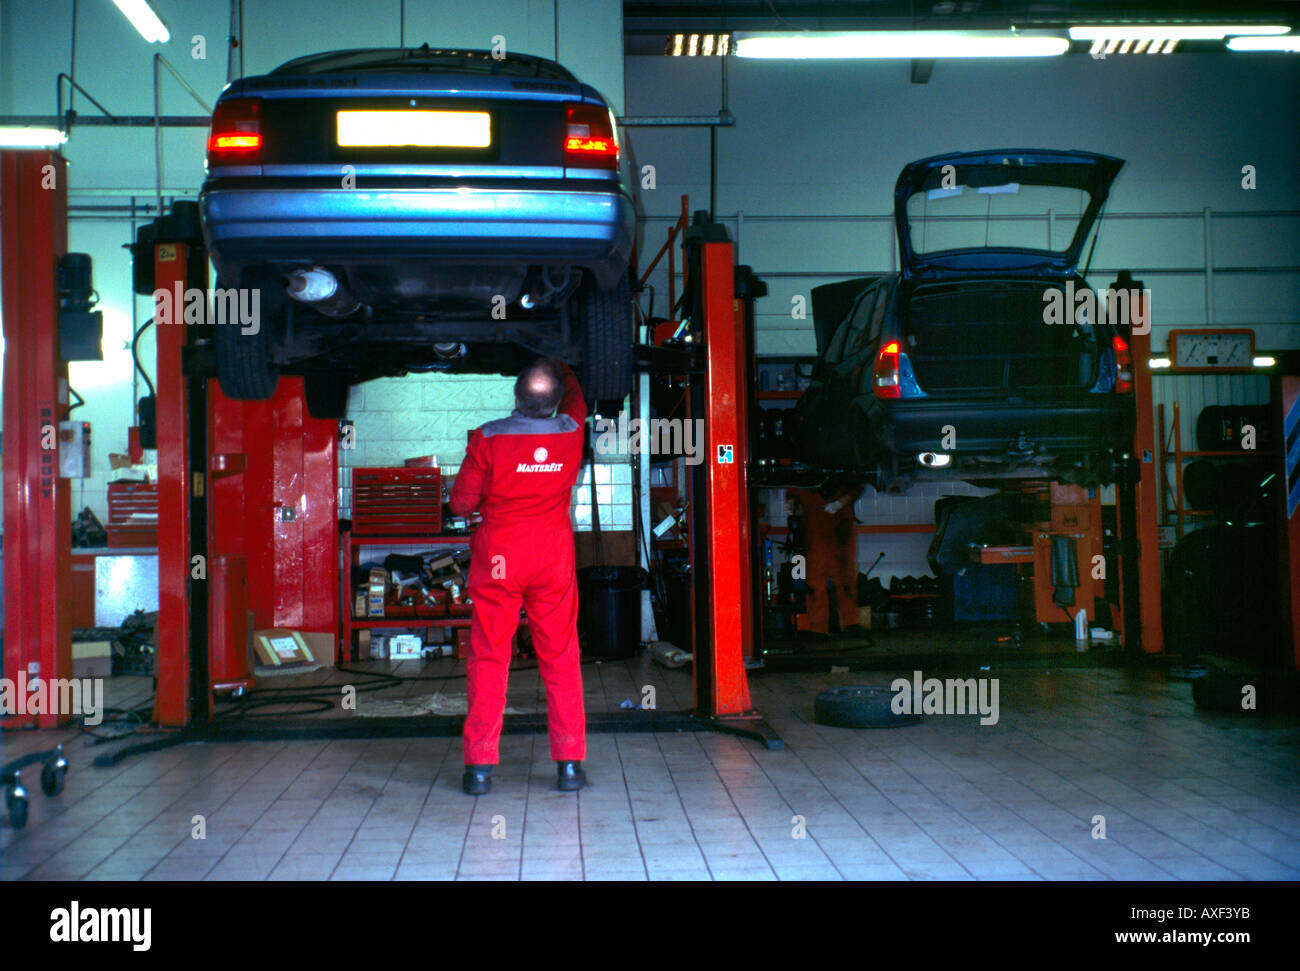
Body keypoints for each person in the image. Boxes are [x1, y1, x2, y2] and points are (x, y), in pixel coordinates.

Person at [448, 357, 588, 795]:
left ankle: (480, 770)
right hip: (551, 560)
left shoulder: (486, 437)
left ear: (515, 396)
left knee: (490, 656)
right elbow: (579, 398)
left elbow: (460, 505)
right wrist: (564, 363)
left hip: (500, 561)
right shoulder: (571, 431)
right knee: (561, 657)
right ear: (555, 401)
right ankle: (568, 765)